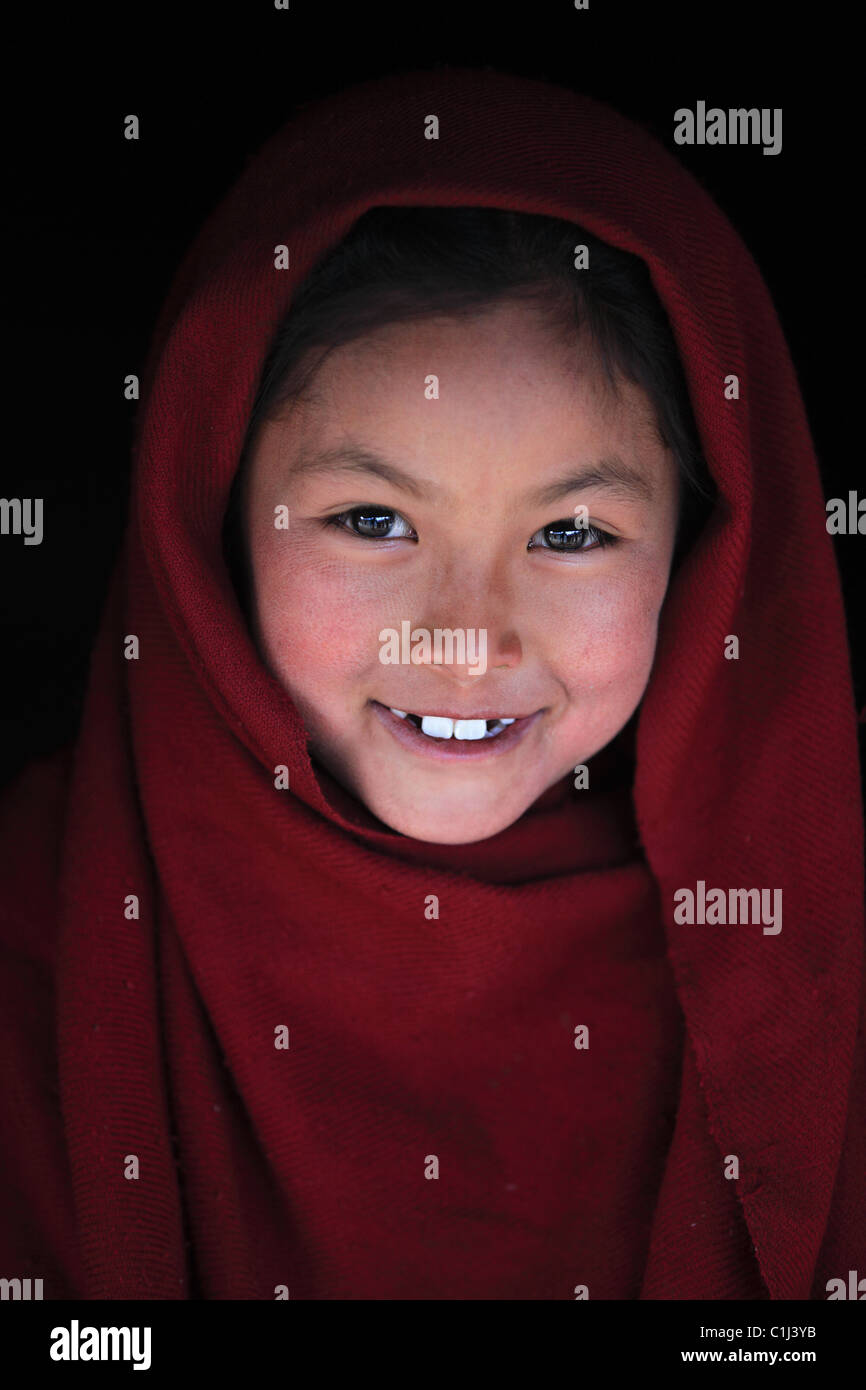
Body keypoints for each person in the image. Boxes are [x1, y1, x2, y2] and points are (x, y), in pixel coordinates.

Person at [0, 67, 862, 1300]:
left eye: (570, 534)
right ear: (209, 519)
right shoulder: (42, 922)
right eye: (370, 517)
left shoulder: (814, 931)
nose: (466, 642)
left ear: (705, 550)